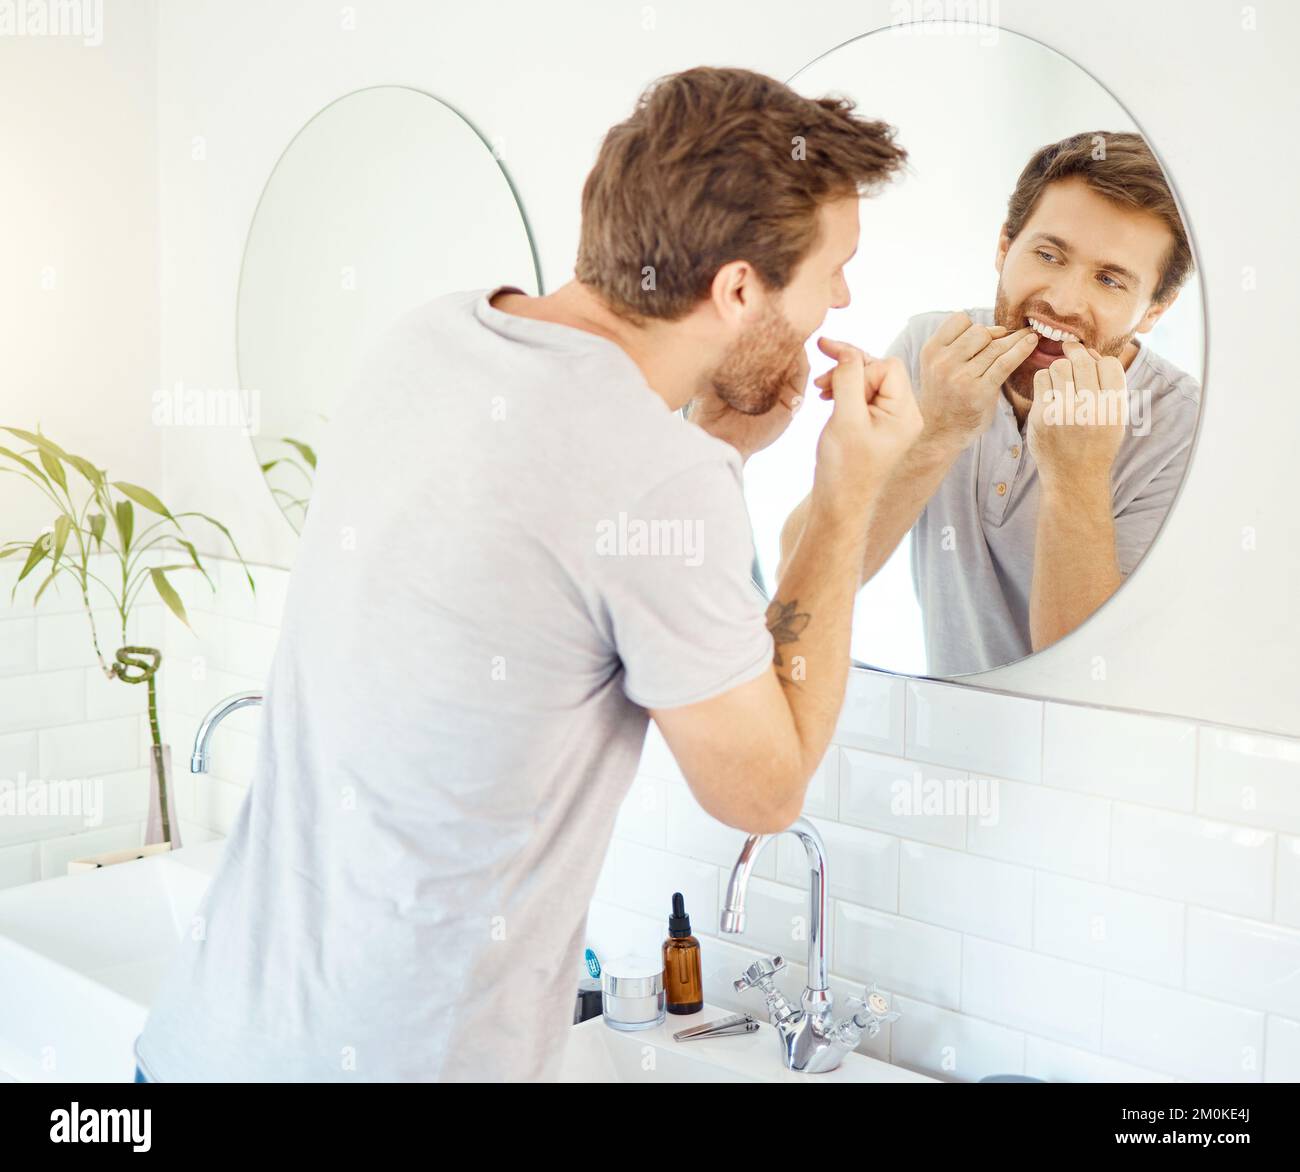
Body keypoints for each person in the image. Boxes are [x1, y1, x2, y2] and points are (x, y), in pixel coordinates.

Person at [132, 66, 921, 1083]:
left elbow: (558, 515)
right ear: (735, 288)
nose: (843, 299)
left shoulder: (424, 340)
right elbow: (763, 790)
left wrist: (716, 446)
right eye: (833, 269)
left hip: (203, 1040)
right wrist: (845, 491)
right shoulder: (659, 480)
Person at [780, 132, 1199, 676]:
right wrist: (937, 429)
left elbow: (1090, 677)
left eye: (1110, 280)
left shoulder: (1182, 428)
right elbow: (799, 578)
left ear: (1152, 312)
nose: (1063, 300)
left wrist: (1077, 475)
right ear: (1004, 247)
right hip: (946, 734)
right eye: (1048, 254)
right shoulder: (932, 351)